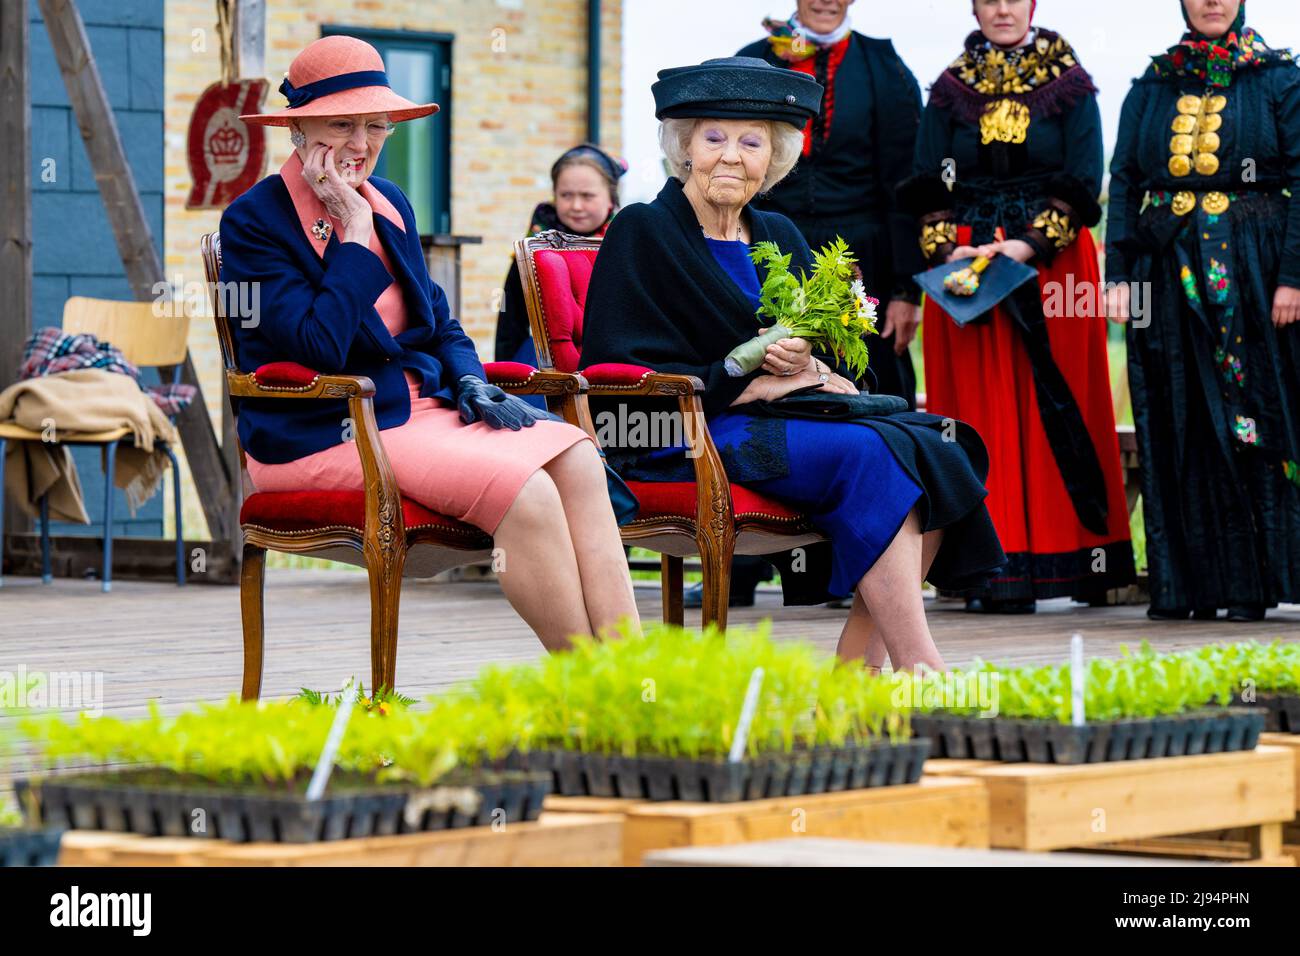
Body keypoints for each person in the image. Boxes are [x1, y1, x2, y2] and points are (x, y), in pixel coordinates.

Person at [580, 57, 1006, 671]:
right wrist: (739, 381)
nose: (732, 155)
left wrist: (812, 358)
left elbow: (835, 341)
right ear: (684, 146)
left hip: (794, 416)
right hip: (686, 430)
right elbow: (617, 370)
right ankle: (921, 668)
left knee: (947, 445)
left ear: (773, 157)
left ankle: (858, 661)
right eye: (714, 137)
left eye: (751, 142)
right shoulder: (643, 229)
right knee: (870, 455)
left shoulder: (777, 229)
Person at [221, 35, 639, 649]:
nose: (362, 145)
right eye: (342, 124)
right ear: (299, 129)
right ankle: (589, 691)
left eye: (377, 125)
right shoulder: (257, 220)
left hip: (421, 410)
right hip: (327, 424)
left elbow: (441, 324)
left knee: (576, 454)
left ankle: (632, 684)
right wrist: (354, 236)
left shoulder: (391, 202)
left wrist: (470, 379)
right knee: (527, 492)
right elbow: (317, 347)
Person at [901, 0, 1135, 613]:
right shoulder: (951, 87)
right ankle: (990, 568)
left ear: (1032, 5)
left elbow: (1085, 175)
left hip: (1053, 263)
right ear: (974, 7)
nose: (1001, 9)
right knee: (977, 410)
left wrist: (1027, 246)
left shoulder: (1071, 83)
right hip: (967, 267)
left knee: (1060, 399)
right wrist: (953, 250)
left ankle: (1073, 562)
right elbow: (928, 180)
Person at [725, 1, 928, 610]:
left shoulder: (885, 69)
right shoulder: (753, 61)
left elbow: (905, 184)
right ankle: (736, 566)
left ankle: (847, 573)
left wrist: (903, 289)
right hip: (762, 247)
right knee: (758, 386)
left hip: (861, 257)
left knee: (853, 397)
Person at [1105, 0, 1300, 622]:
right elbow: (1127, 180)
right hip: (1162, 274)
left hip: (1256, 276)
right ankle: (1189, 586)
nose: (1211, 0)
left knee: (1255, 418)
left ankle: (1254, 586)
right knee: (1176, 415)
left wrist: (1293, 279)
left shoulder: (1279, 78)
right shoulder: (1154, 83)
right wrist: (1116, 280)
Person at [494, 143, 627, 365]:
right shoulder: (534, 249)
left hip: (611, 363)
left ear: (611, 198)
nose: (576, 205)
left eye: (587, 196)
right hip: (545, 362)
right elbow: (510, 317)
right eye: (566, 195)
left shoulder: (624, 245)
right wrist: (505, 374)